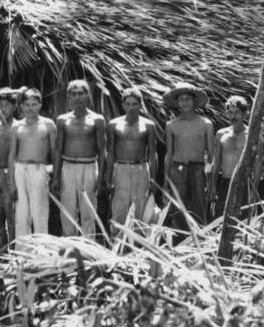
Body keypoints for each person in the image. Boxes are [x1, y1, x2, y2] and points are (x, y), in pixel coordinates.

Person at [54, 80, 106, 236]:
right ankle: (69, 244)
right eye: (74, 94)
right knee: (67, 210)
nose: (77, 98)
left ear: (87, 95)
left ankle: (88, 245)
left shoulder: (97, 119)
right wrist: (56, 177)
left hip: (89, 167)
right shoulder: (63, 120)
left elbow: (102, 150)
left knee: (88, 211)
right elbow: (58, 149)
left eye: (81, 93)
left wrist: (100, 177)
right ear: (69, 97)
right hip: (68, 167)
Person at [163, 83, 214, 227]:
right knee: (178, 207)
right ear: (177, 102)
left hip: (198, 169)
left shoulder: (206, 124)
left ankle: (198, 237)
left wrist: (210, 179)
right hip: (177, 170)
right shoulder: (171, 125)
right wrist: (166, 181)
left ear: (194, 101)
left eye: (188, 99)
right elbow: (169, 154)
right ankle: (178, 237)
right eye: (181, 99)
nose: (185, 102)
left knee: (198, 206)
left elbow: (211, 155)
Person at [8, 88, 57, 238]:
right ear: (22, 106)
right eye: (27, 105)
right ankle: (23, 249)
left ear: (40, 105)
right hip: (20, 170)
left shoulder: (48, 124)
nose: (30, 108)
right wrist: (11, 181)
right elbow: (12, 154)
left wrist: (56, 176)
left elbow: (55, 152)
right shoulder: (17, 126)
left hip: (38, 170)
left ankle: (41, 249)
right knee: (21, 213)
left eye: (34, 104)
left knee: (39, 212)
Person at [105, 87, 157, 224]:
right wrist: (108, 176)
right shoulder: (114, 124)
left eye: (135, 104)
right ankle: (117, 235)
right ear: (123, 105)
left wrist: (153, 179)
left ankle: (137, 236)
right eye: (128, 104)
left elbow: (152, 154)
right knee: (119, 205)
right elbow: (110, 153)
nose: (131, 107)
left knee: (139, 204)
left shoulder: (149, 125)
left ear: (140, 105)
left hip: (141, 168)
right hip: (121, 168)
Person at [209, 95, 249, 220]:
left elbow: (258, 163)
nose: (233, 116)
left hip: (244, 183)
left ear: (244, 114)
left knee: (242, 219)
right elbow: (216, 162)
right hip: (225, 181)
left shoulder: (250, 134)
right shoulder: (221, 134)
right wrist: (213, 185)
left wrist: (254, 189)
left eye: (236, 112)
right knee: (221, 217)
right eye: (230, 112)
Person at [0, 90, 18, 245]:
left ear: (14, 106)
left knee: (12, 213)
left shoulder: (18, 126)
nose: (3, 109)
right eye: (0, 105)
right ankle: (1, 248)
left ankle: (15, 246)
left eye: (6, 105)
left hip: (12, 173)